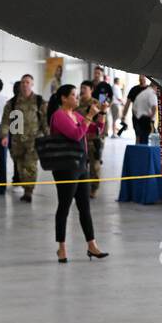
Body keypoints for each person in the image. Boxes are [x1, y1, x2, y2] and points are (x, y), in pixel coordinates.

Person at [47, 84, 108, 263]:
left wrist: (102, 113)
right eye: (73, 95)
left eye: (76, 95)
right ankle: (62, 248)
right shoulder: (59, 116)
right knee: (64, 207)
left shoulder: (76, 115)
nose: (77, 98)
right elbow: (76, 134)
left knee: (85, 207)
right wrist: (89, 116)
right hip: (65, 168)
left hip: (81, 165)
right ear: (64, 98)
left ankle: (92, 245)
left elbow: (95, 130)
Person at [1, 74, 47, 203]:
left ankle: (28, 191)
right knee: (20, 166)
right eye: (22, 82)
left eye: (27, 82)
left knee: (30, 166)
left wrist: (49, 137)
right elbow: (5, 121)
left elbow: (44, 121)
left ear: (32, 84)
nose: (25, 84)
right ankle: (25, 185)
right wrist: (4, 136)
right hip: (17, 141)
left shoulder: (39, 101)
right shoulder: (12, 102)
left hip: (33, 141)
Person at [75, 82, 107, 198]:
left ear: (91, 90)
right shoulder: (76, 104)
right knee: (80, 166)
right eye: (81, 87)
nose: (82, 90)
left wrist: (101, 137)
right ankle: (80, 188)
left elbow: (101, 123)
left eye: (85, 88)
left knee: (94, 166)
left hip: (92, 141)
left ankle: (93, 189)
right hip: (79, 141)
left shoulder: (96, 104)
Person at [131, 78, 157, 144]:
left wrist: (138, 116)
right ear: (155, 86)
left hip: (139, 118)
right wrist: (152, 116)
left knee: (140, 138)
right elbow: (154, 106)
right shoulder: (151, 93)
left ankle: (140, 152)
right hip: (146, 119)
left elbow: (133, 108)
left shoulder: (142, 93)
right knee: (146, 138)